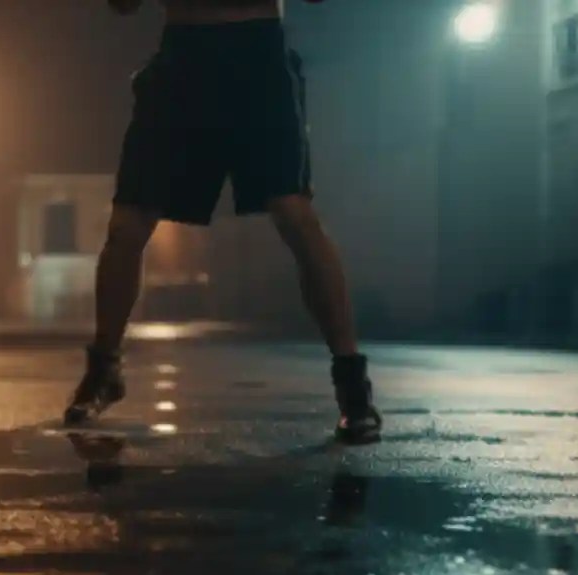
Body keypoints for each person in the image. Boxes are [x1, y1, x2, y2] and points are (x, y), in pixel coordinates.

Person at [64, 0, 382, 444]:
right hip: (183, 58)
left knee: (294, 214)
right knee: (128, 224)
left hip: (257, 55)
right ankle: (104, 369)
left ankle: (352, 387)